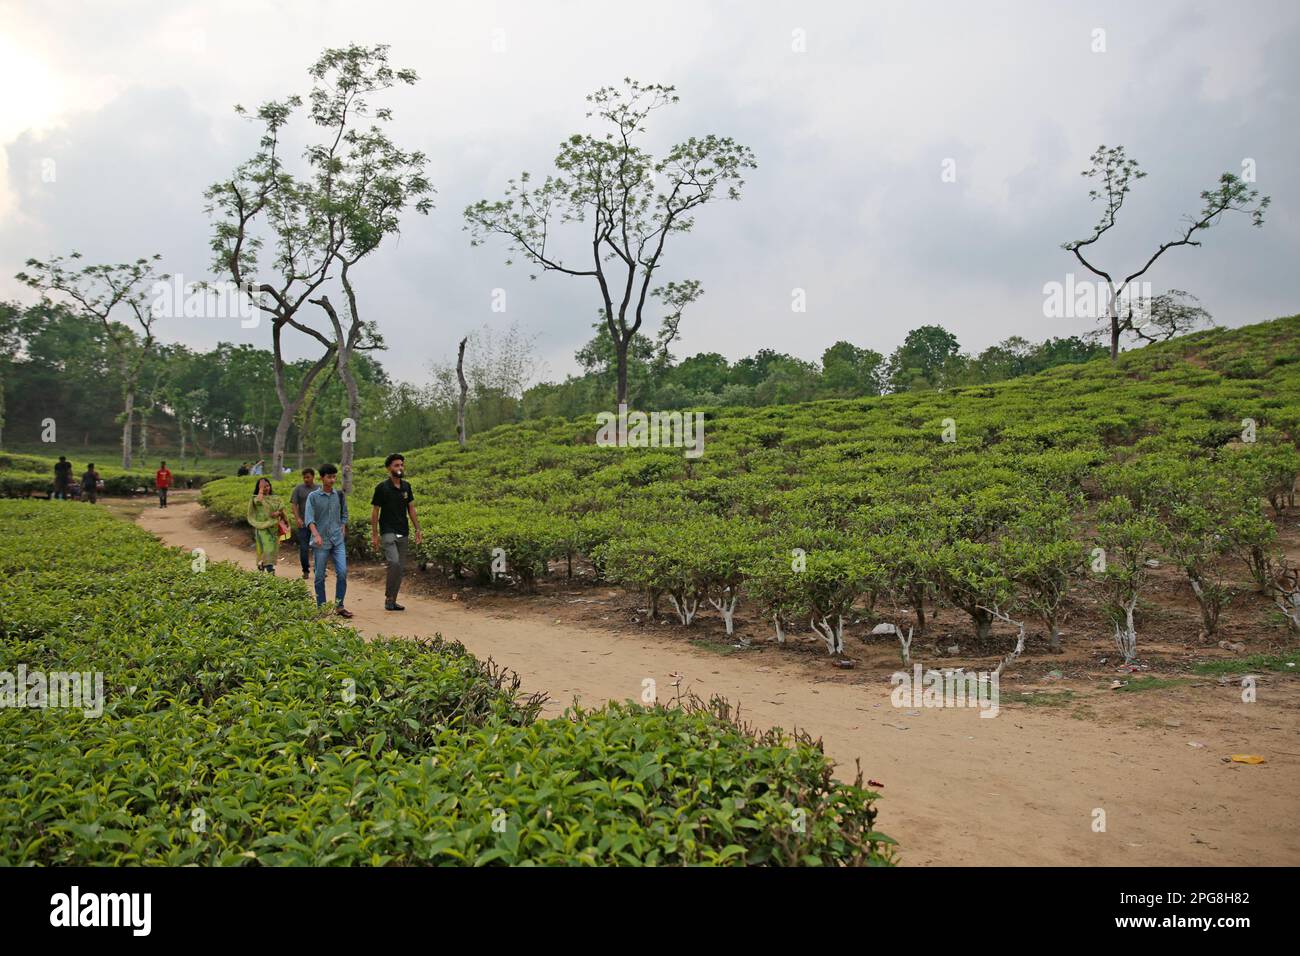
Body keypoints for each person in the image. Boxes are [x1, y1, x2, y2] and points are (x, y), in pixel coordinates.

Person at [370, 453, 422, 611]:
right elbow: (375, 511)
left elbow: (411, 508)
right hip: (388, 531)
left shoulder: (406, 486)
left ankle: (392, 600)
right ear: (389, 468)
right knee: (393, 562)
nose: (400, 468)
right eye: (396, 465)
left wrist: (417, 529)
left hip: (403, 531)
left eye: (401, 465)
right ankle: (388, 596)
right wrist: (374, 534)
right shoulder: (382, 488)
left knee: (399, 567)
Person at [304, 463, 351, 618]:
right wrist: (315, 534)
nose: (332, 480)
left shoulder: (339, 494)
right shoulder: (313, 497)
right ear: (322, 478)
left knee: (342, 572)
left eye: (334, 477)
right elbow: (309, 518)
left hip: (337, 539)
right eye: (329, 477)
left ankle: (339, 606)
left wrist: (343, 525)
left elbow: (344, 513)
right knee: (319, 576)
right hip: (321, 541)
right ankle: (322, 608)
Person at [246, 477, 286, 574]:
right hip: (262, 527)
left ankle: (264, 564)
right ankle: (269, 568)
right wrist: (260, 490)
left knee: (273, 548)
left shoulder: (276, 498)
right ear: (259, 488)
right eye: (263, 487)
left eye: (267, 486)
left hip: (273, 527)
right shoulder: (256, 498)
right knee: (268, 547)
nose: (266, 488)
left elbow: (282, 509)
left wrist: (278, 513)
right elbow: (259, 502)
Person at [289, 467, 317, 580]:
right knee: (304, 548)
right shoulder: (298, 489)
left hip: (317, 524)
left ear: (313, 477)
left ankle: (319, 570)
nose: (306, 479)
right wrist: (298, 519)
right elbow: (294, 505)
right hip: (304, 524)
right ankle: (305, 570)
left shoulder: (319, 489)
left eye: (308, 477)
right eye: (304, 477)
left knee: (318, 548)